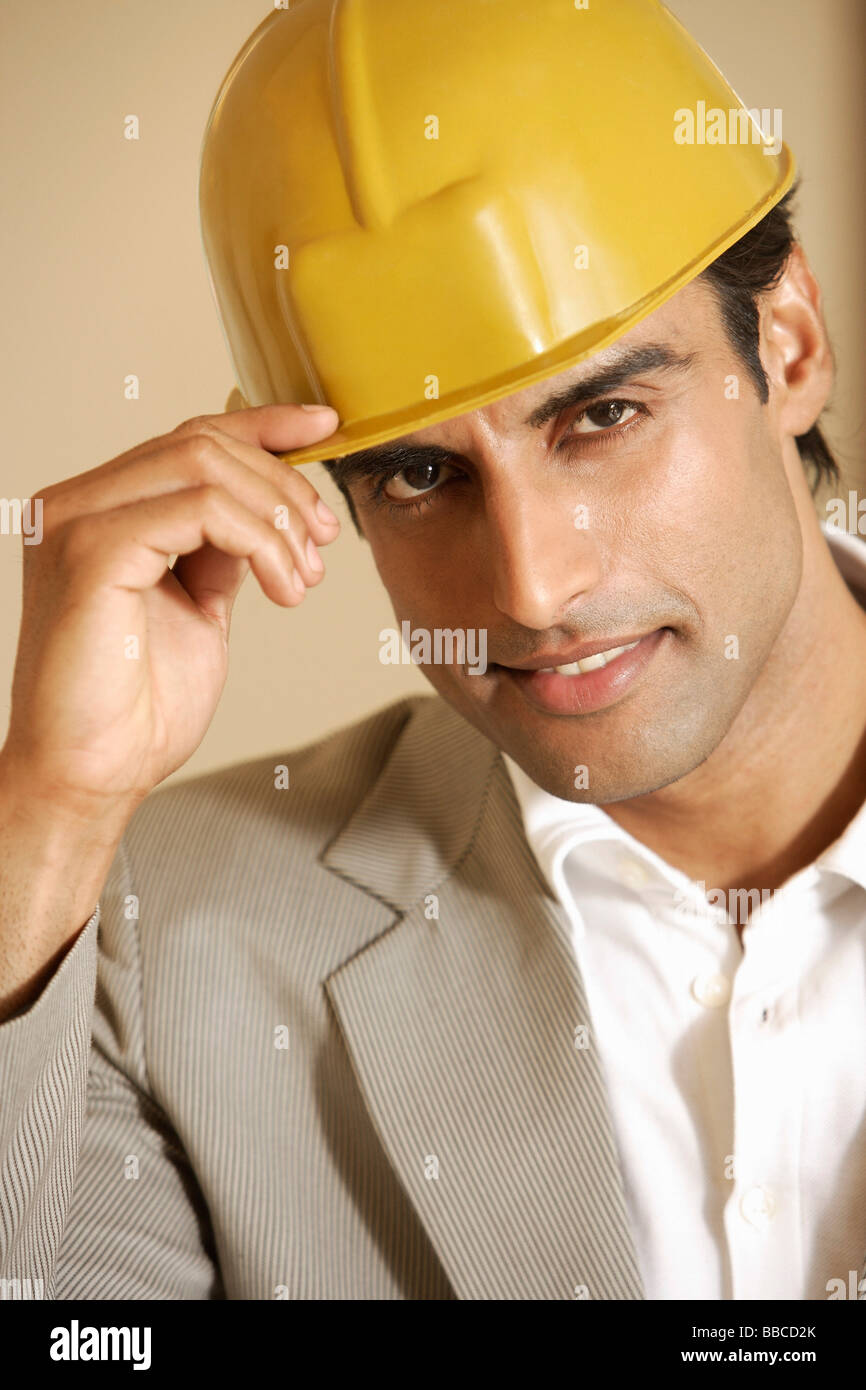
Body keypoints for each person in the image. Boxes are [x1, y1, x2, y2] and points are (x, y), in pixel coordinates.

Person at [1, 0, 864, 1302]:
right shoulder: (147, 938)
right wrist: (50, 810)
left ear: (786, 344)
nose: (531, 585)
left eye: (604, 414)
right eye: (416, 472)